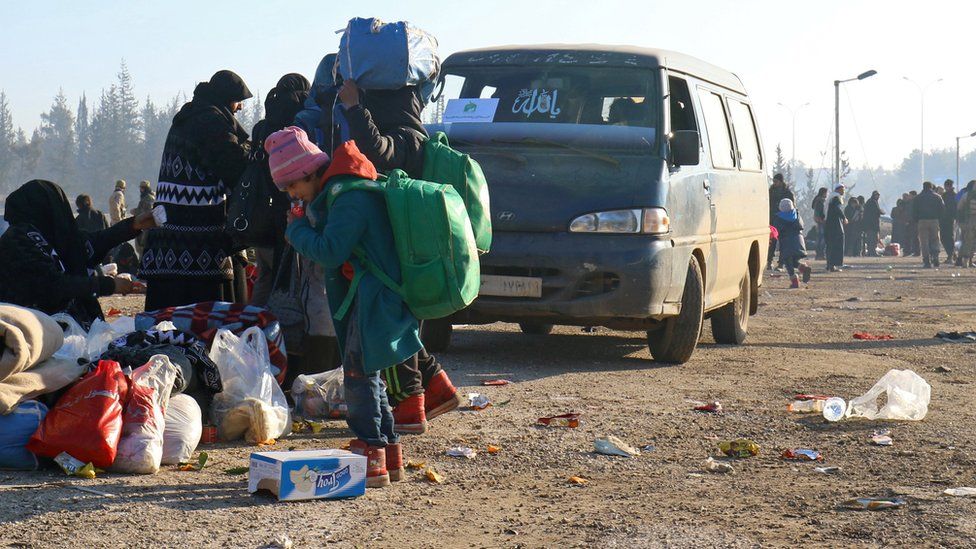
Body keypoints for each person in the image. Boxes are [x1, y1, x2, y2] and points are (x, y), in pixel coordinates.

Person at [270, 127, 421, 488]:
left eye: (293, 186)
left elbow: (330, 250)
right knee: (367, 371)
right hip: (372, 292)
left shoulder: (349, 196)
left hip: (377, 294)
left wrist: (295, 230)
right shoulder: (340, 191)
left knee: (358, 374)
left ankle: (370, 450)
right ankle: (388, 453)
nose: (294, 195)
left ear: (309, 173)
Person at [337, 78, 462, 434]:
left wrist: (355, 109)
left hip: (396, 251)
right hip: (409, 247)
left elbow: (378, 152)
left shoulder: (406, 138)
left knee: (390, 329)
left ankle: (410, 404)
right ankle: (437, 385)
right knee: (400, 322)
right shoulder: (417, 133)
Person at [139, 70, 252, 311]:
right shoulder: (210, 121)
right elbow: (233, 166)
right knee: (206, 325)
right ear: (226, 98)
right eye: (237, 100)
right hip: (198, 247)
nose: (240, 107)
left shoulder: (190, 117)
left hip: (169, 245)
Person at [0, 180, 156, 329]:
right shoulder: (18, 240)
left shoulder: (54, 236)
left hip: (63, 329)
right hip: (34, 331)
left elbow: (94, 242)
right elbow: (53, 285)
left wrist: (134, 225)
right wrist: (109, 285)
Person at [772, 198, 810, 288]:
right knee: (793, 261)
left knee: (788, 262)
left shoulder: (779, 218)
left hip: (786, 243)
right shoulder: (796, 214)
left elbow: (776, 231)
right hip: (799, 241)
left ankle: (795, 281)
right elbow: (802, 226)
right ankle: (803, 268)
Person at [913, 181, 945, 268]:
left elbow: (913, 211)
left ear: (923, 187)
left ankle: (926, 261)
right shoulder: (937, 197)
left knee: (924, 242)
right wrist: (939, 218)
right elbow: (942, 209)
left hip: (922, 221)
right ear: (931, 187)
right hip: (934, 220)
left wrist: (917, 220)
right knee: (935, 239)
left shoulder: (917, 198)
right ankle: (935, 257)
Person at [767, 173, 794, 269]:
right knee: (772, 242)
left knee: (783, 243)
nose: (774, 183)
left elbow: (792, 207)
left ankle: (781, 263)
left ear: (781, 182)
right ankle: (769, 261)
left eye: (776, 181)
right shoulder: (770, 192)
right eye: (773, 181)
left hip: (784, 220)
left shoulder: (787, 193)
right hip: (773, 220)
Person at [824, 185, 847, 272]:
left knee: (830, 245)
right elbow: (837, 209)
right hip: (835, 225)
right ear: (838, 190)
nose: (843, 191)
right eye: (842, 189)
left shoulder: (831, 198)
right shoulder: (836, 198)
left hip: (829, 225)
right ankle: (832, 265)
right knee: (835, 245)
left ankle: (829, 265)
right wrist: (844, 217)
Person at [131, 180, 155, 256]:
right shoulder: (147, 197)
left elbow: (147, 212)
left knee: (142, 250)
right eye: (140, 188)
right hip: (145, 227)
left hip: (145, 228)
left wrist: (135, 211)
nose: (141, 190)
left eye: (142, 188)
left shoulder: (148, 198)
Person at [957, 180, 976, 267]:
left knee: (968, 241)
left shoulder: (966, 195)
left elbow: (959, 207)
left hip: (970, 220)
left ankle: (966, 262)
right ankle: (971, 260)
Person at [862, 191, 885, 256]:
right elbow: (877, 211)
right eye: (876, 195)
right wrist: (882, 212)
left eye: (878, 195)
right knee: (872, 239)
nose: (877, 197)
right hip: (871, 224)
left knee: (872, 239)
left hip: (871, 224)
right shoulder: (872, 202)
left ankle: (871, 252)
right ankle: (872, 252)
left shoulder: (872, 201)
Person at [941, 179, 957, 263]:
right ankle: (952, 255)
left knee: (946, 238)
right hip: (949, 219)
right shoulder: (954, 195)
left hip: (946, 219)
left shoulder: (946, 195)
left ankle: (951, 256)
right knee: (948, 238)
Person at [811, 187, 828, 260]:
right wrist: (821, 220)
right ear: (823, 193)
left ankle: (819, 254)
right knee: (822, 238)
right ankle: (820, 254)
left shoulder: (818, 200)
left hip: (820, 221)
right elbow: (817, 213)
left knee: (820, 238)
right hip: (821, 222)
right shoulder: (820, 201)